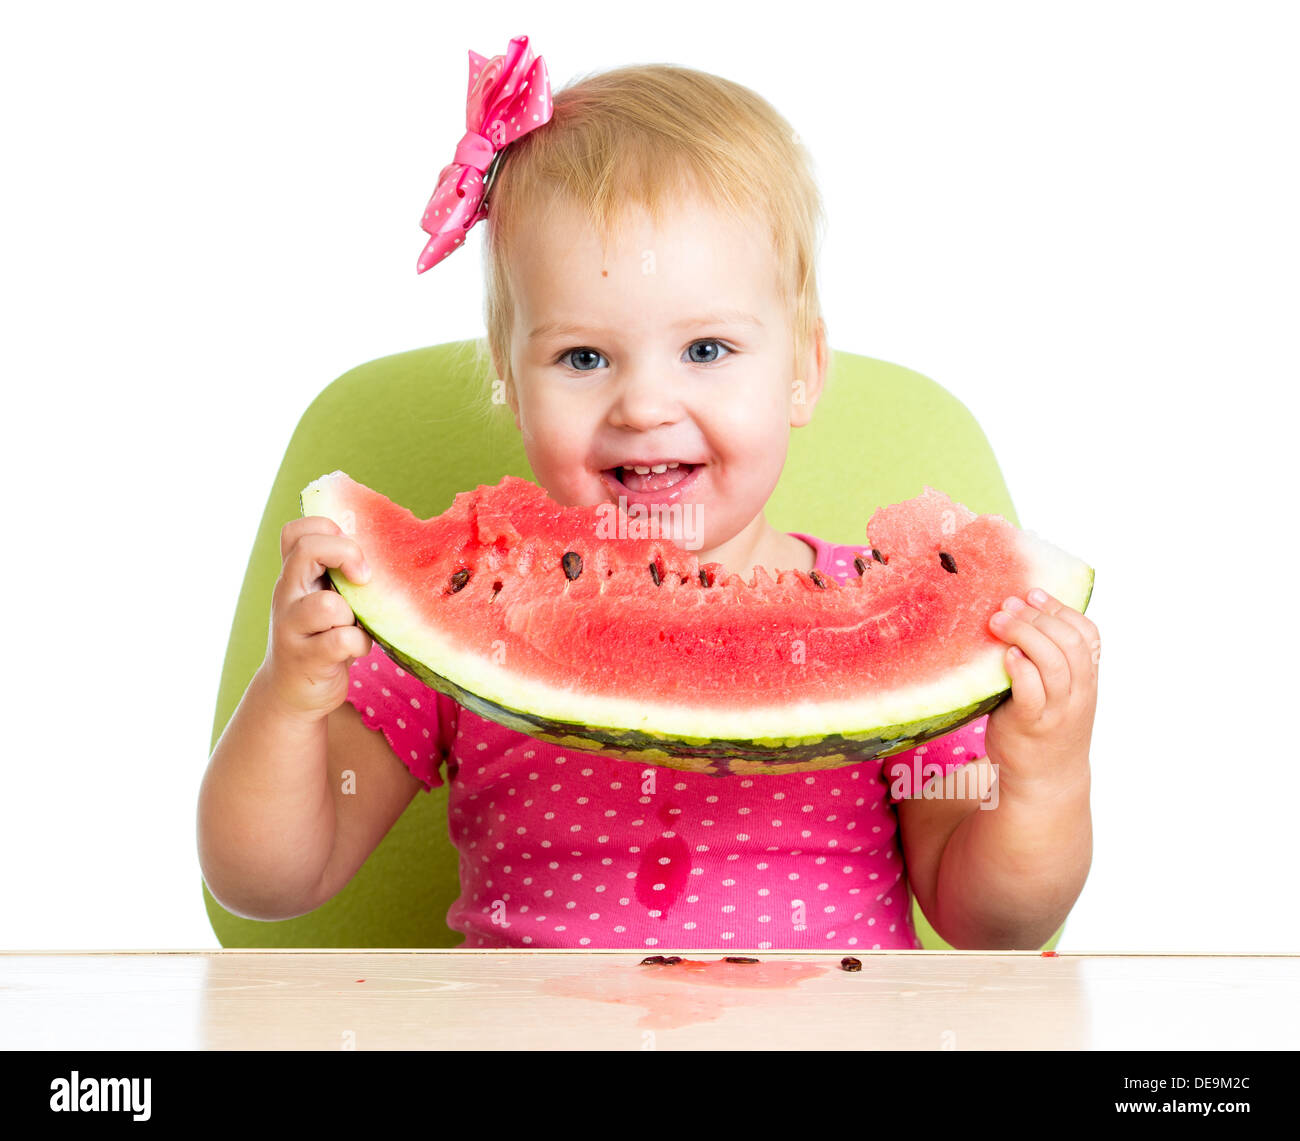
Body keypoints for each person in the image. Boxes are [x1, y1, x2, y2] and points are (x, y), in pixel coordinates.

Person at [198, 36, 1099, 951]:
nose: (644, 404)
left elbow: (994, 925)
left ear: (803, 372)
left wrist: (1043, 774)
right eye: (583, 357)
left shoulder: (875, 631)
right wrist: (290, 696)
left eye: (706, 350)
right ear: (509, 381)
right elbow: (268, 882)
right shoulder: (462, 640)